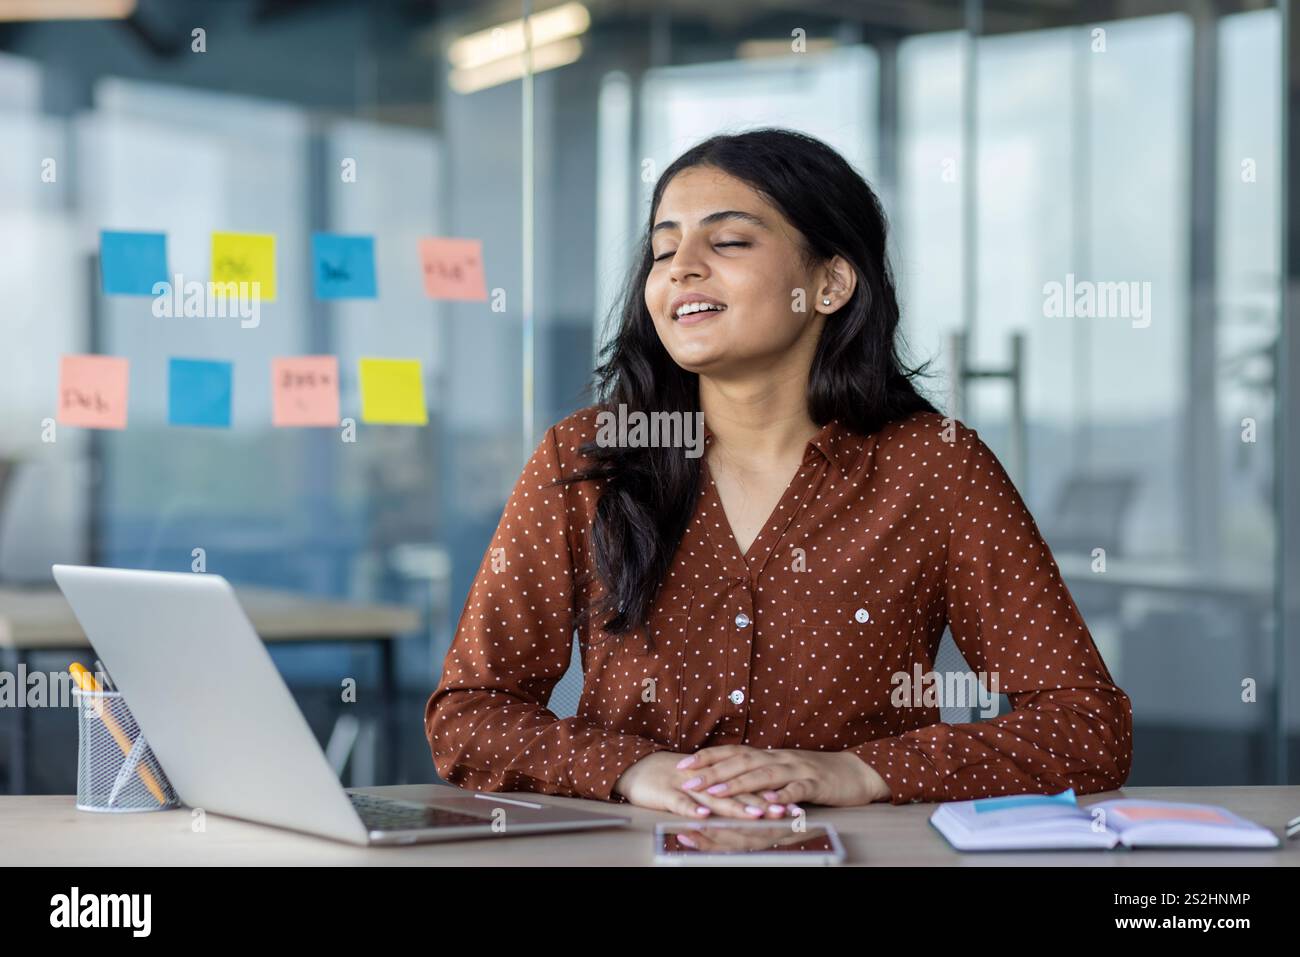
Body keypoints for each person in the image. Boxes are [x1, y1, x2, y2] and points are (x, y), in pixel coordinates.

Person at [425, 128, 1132, 821]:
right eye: (664, 247)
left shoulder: (935, 465)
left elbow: (1087, 724)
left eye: (728, 241)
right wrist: (631, 768)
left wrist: (862, 771)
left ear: (829, 282)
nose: (681, 266)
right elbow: (468, 713)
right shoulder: (587, 459)